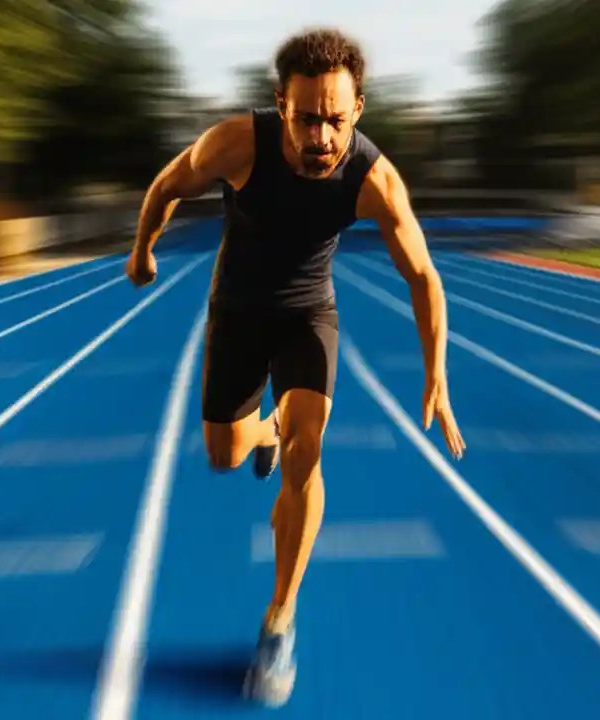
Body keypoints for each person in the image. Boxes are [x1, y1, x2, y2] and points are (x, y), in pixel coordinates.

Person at [124, 27, 466, 707]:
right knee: (223, 454)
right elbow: (167, 184)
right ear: (280, 103)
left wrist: (437, 377)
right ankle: (266, 433)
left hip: (309, 314)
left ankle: (279, 619)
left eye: (336, 120)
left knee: (310, 449)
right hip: (237, 314)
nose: (320, 138)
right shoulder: (236, 145)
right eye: (307, 118)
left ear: (358, 111)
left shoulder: (375, 180)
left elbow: (424, 277)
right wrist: (143, 248)